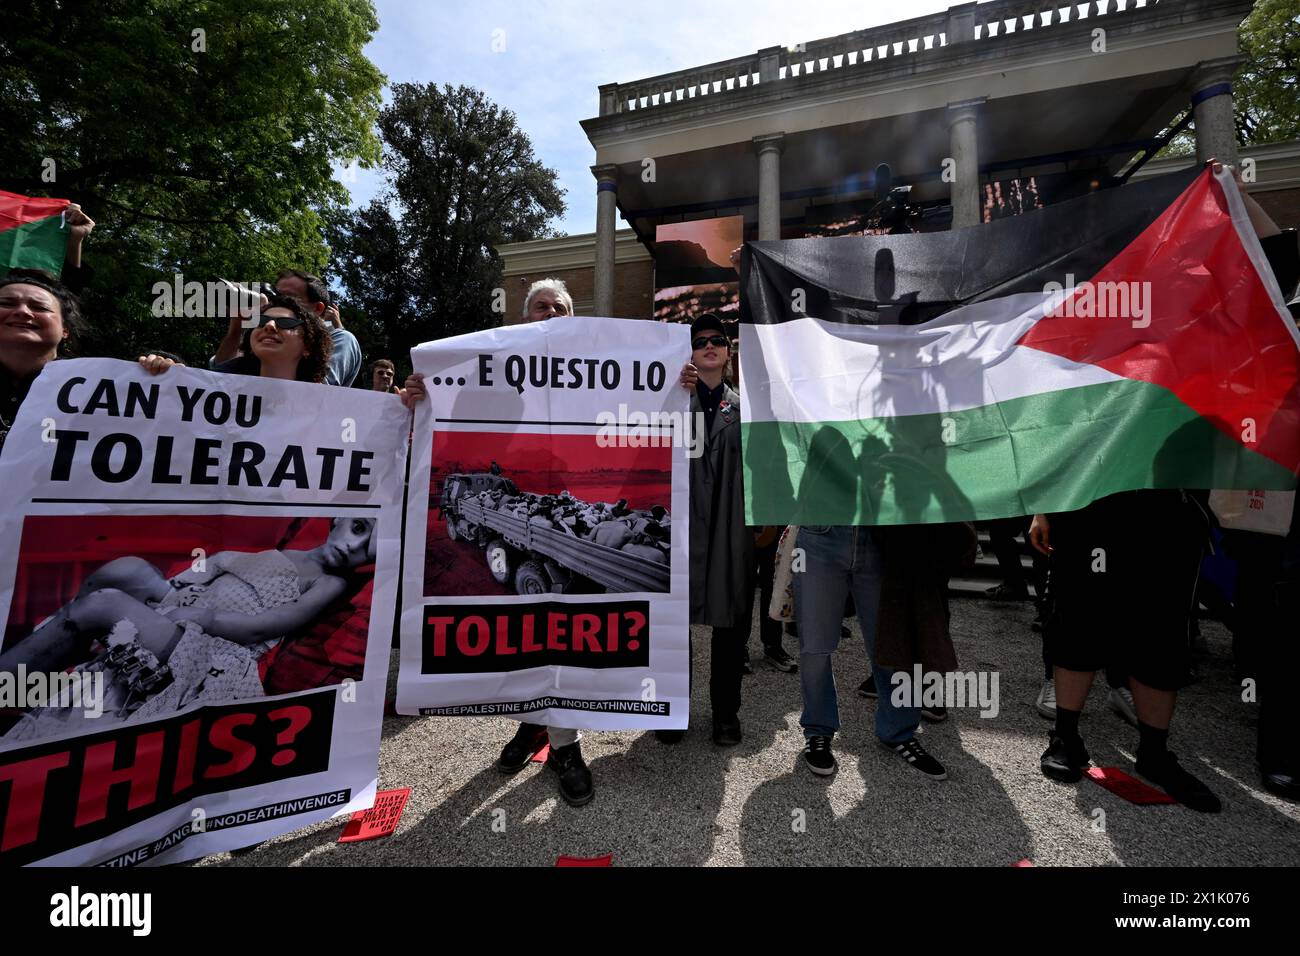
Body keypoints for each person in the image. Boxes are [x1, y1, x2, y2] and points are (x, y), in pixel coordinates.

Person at [1028, 162, 1295, 813]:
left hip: (1170, 497)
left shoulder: (1188, 285)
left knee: (1160, 633)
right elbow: (1044, 404)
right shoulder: (1075, 296)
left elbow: (1280, 262)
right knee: (1077, 622)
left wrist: (1231, 190)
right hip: (1088, 493)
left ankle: (1155, 748)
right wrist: (1041, 499)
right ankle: (1066, 736)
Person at [401, 279, 594, 807]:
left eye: (559, 307)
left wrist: (682, 384)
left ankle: (563, 742)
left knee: (561, 627)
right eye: (540, 306)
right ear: (521, 313)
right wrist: (414, 402)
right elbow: (450, 421)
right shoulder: (489, 360)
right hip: (516, 506)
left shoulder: (597, 368)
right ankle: (542, 729)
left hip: (555, 513)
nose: (549, 312)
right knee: (527, 627)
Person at [1, 517, 377, 739]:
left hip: (216, 650)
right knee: (126, 569)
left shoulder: (332, 582)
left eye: (368, 546)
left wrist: (208, 619)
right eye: (357, 527)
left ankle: (24, 671)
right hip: (188, 606)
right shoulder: (278, 551)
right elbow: (203, 573)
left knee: (105, 604)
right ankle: (68, 645)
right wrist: (182, 590)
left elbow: (273, 624)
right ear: (339, 517)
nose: (353, 545)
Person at [673, 312, 755, 745]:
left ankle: (726, 712)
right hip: (683, 528)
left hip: (729, 529)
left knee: (732, 623)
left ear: (727, 351)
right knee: (672, 621)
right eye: (700, 340)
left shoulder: (746, 408)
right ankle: (673, 709)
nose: (709, 345)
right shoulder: (667, 404)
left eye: (717, 340)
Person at [213, 270, 360, 386]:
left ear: (318, 308)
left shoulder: (341, 338)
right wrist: (238, 325)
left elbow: (320, 391)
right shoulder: (265, 338)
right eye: (275, 297)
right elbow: (216, 379)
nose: (278, 303)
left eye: (289, 298)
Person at [0, 270, 86, 456]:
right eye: (6, 304)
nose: (22, 311)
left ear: (65, 329)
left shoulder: (95, 388)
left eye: (40, 307)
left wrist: (157, 374)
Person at [150, 294, 330, 382]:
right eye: (262, 321)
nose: (269, 326)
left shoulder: (326, 407)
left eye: (284, 322)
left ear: (308, 346)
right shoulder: (216, 389)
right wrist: (163, 376)